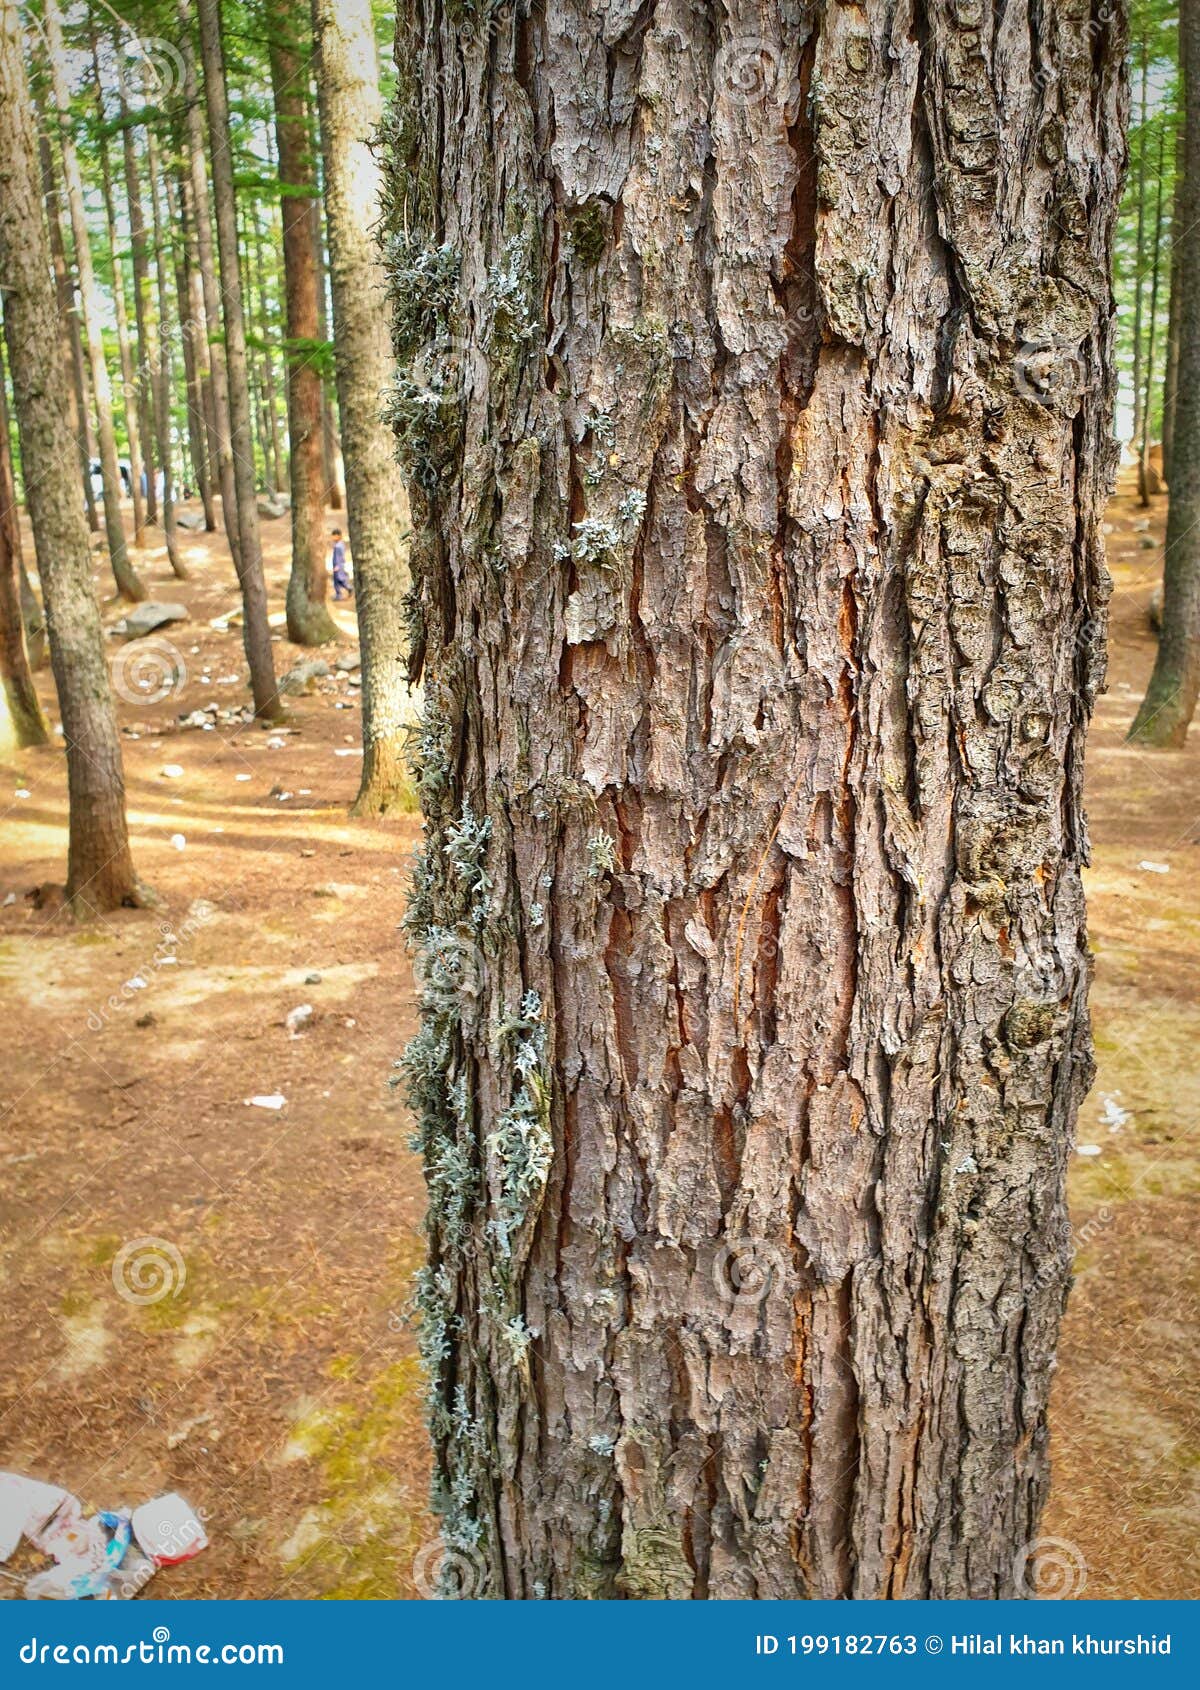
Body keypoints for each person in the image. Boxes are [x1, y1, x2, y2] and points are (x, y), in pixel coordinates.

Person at [330, 529, 352, 600]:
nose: (333, 538)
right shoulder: (340, 544)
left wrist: (337, 566)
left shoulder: (338, 546)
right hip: (340, 565)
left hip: (338, 566)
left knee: (339, 580)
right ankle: (340, 593)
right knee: (338, 580)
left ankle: (346, 590)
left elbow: (338, 557)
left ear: (338, 536)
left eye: (334, 536)